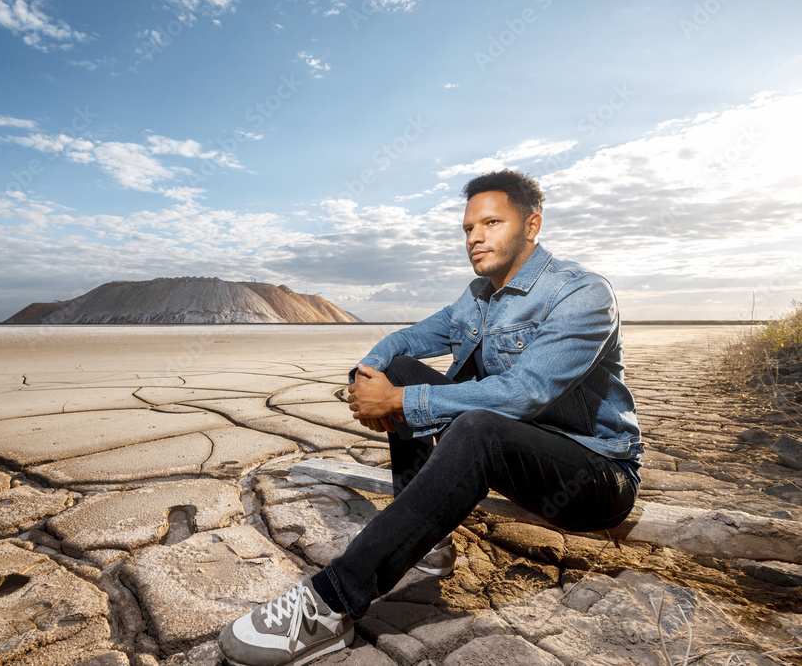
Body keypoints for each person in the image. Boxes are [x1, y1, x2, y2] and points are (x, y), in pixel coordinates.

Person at [218, 169, 642, 666]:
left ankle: (330, 604)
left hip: (593, 475)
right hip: (515, 451)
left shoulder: (582, 293)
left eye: (491, 223)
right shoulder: (477, 296)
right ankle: (429, 542)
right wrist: (367, 377)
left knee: (476, 426)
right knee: (400, 369)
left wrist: (397, 402)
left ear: (532, 226)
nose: (475, 237)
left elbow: (524, 394)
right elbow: (407, 339)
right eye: (468, 228)